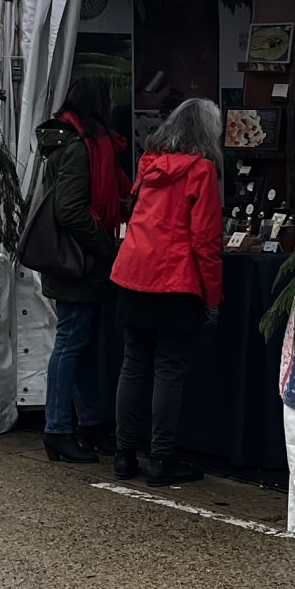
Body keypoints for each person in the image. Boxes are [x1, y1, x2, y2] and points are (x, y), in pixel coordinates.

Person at [107, 97, 224, 488]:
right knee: (168, 369)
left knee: (133, 364)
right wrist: (213, 298)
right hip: (174, 278)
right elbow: (205, 241)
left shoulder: (149, 164)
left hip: (133, 273)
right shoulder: (202, 170)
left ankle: (124, 454)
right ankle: (161, 457)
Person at [32, 77, 124, 465]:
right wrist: (106, 248)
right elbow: (70, 210)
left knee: (80, 343)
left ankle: (88, 424)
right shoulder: (79, 149)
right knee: (71, 343)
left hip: (75, 261)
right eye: (110, 96)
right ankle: (57, 429)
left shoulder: (77, 144)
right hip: (79, 262)